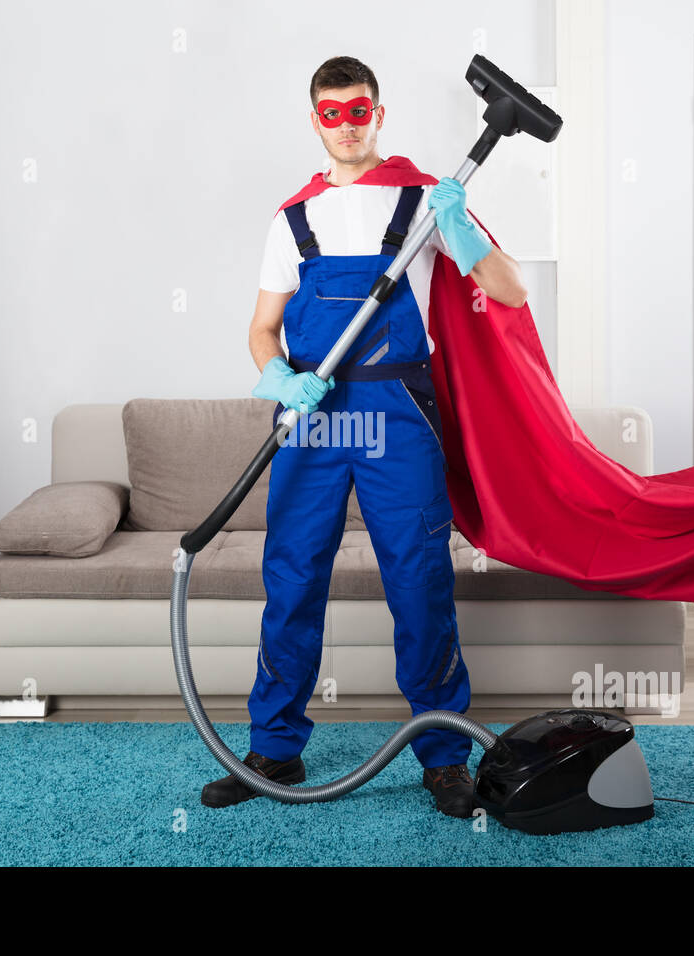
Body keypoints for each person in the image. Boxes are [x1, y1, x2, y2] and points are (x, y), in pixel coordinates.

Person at [200, 55, 528, 818]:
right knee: (292, 581)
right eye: (330, 112)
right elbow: (261, 329)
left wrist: (462, 234)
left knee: (420, 584)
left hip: (397, 419)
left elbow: (508, 291)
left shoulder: (423, 200)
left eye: (359, 110)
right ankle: (274, 751)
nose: (346, 124)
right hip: (315, 416)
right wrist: (282, 380)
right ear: (314, 120)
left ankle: (444, 757)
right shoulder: (293, 218)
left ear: (379, 114)